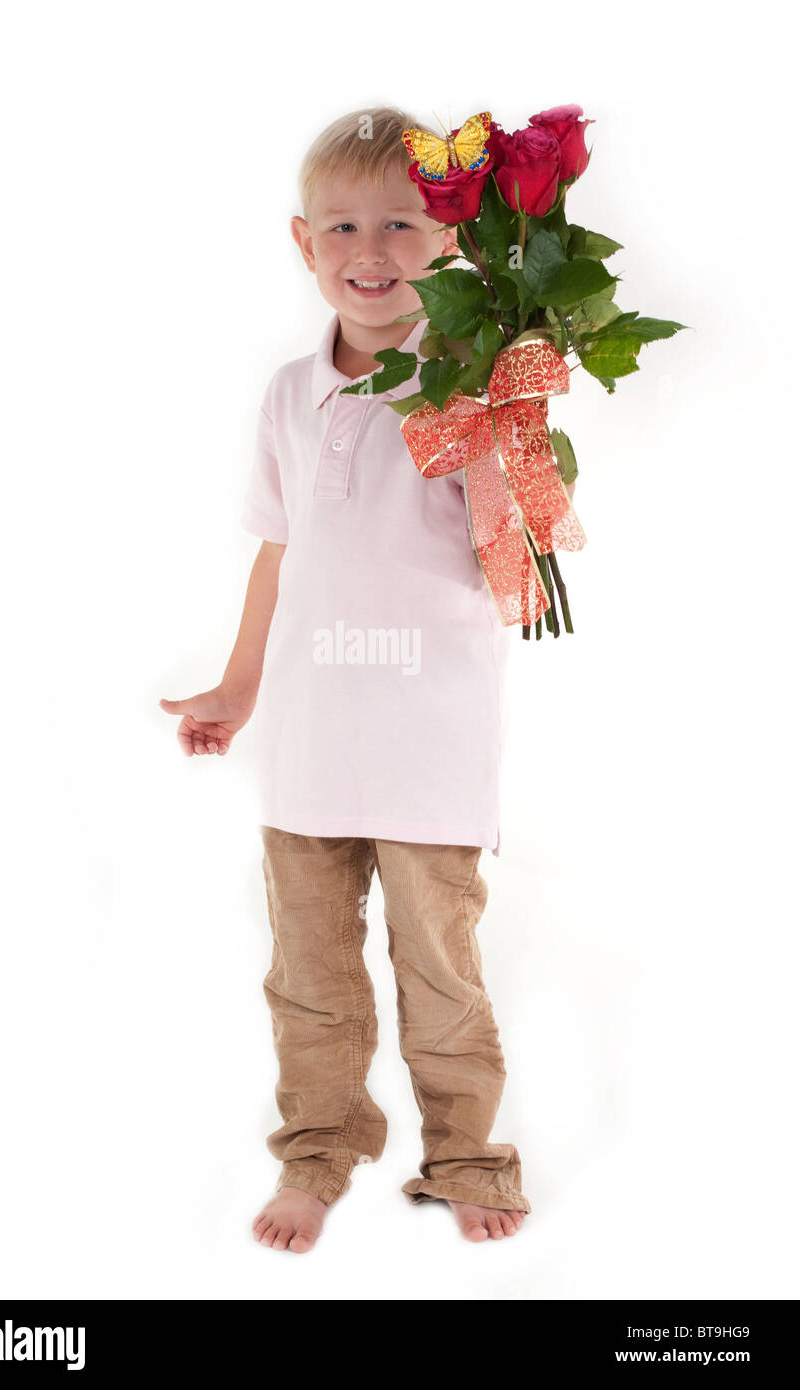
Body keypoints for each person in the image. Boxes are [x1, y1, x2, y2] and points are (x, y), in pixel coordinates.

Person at [161, 106, 575, 1254]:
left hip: (427, 740)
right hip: (306, 736)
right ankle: (319, 1147)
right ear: (304, 244)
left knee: (438, 966)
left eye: (401, 222)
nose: (371, 249)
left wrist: (516, 432)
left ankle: (465, 1153)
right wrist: (237, 689)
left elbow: (517, 555)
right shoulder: (289, 396)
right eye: (343, 225)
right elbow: (278, 551)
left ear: (449, 243)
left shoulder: (468, 385)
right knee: (307, 973)